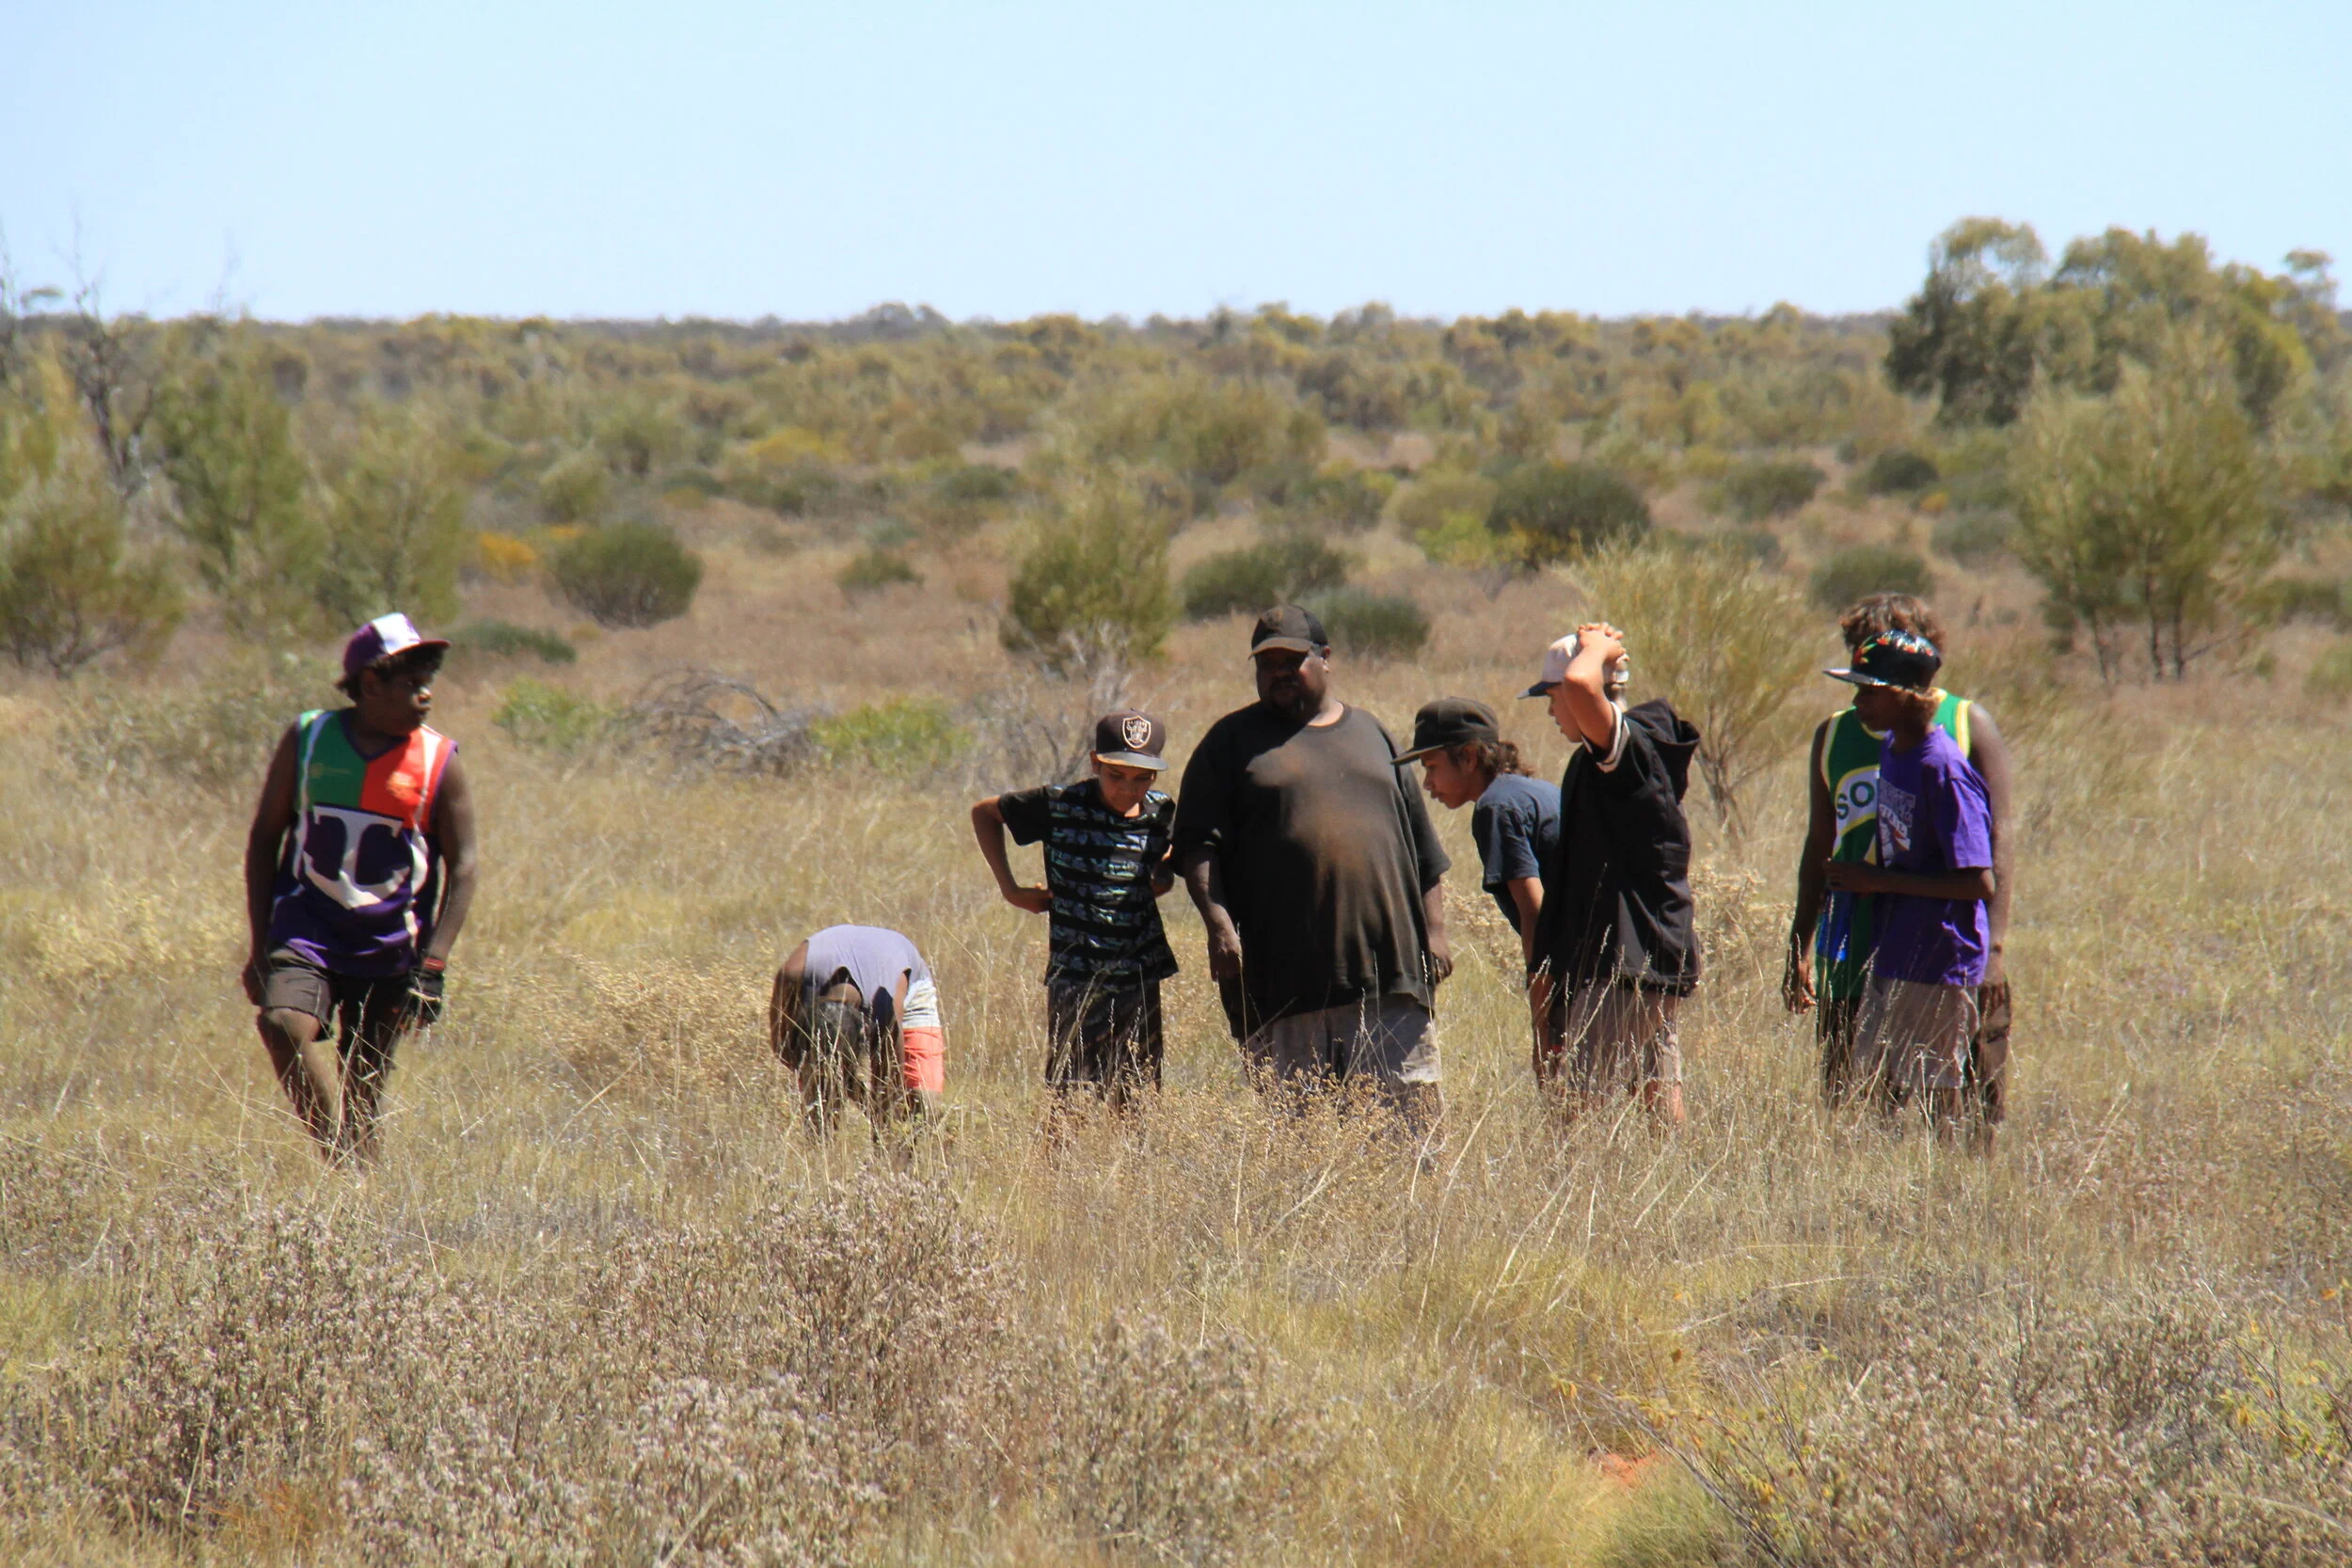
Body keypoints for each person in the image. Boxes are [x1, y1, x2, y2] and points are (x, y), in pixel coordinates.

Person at [1172, 605, 1454, 1147]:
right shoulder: (1229, 744)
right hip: (1283, 983)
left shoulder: (1373, 734)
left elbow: (1424, 851)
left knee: (1411, 1143)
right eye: (1266, 663)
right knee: (1305, 1150)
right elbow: (1196, 848)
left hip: (1389, 978)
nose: (1279, 672)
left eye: (1292, 660)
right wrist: (1219, 925)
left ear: (1325, 659)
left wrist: (1436, 932)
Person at [243, 612, 478, 1166]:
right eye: (413, 684)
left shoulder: (438, 760)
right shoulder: (309, 740)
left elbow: (464, 866)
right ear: (371, 684)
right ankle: (339, 1160)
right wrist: (260, 946)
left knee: (365, 1086)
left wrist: (434, 966)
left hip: (391, 948)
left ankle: (360, 1194)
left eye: (430, 682)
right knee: (282, 1025)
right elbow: (263, 842)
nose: (427, 696)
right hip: (307, 931)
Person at [1783, 594, 2015, 1144]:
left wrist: (1996, 948)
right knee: (1856, 1091)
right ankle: (1869, 1193)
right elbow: (1821, 842)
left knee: (1963, 1086)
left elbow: (1997, 842)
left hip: (1944, 934)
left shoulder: (1959, 727)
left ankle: (1962, 1199)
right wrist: (1801, 943)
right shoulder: (1840, 735)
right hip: (1858, 935)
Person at [1524, 624, 1700, 1128]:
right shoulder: (1618, 755)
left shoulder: (1624, 753)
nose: (1552, 712)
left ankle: (1574, 1196)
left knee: (1577, 1113)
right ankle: (1677, 1187)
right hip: (1646, 958)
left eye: (1550, 698)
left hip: (1626, 963)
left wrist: (1596, 648)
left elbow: (1582, 686)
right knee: (1658, 1090)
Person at [971, 711, 1179, 1112]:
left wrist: (1165, 875)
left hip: (1139, 972)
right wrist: (1010, 889)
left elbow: (1169, 864)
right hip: (1077, 976)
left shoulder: (1162, 814)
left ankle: (1127, 1172)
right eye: (1116, 775)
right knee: (1070, 1097)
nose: (1127, 789)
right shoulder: (1060, 805)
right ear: (1095, 763)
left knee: (1138, 1097)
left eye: (1142, 778)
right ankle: (1059, 1172)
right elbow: (984, 812)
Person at [1395, 697, 1558, 974]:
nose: (1427, 783)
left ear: (1469, 757)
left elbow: (1535, 914)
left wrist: (1541, 1005)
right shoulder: (1535, 791)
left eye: (1431, 766)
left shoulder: (1495, 807)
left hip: (1595, 975)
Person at [767, 924, 945, 1137]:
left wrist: (882, 1126)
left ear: (863, 1035)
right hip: (840, 966)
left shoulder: (887, 1010)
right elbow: (783, 1049)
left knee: (923, 1105)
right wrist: (834, 1079)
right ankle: (820, 1155)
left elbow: (889, 1090)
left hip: (906, 983)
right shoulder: (792, 975)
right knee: (820, 1099)